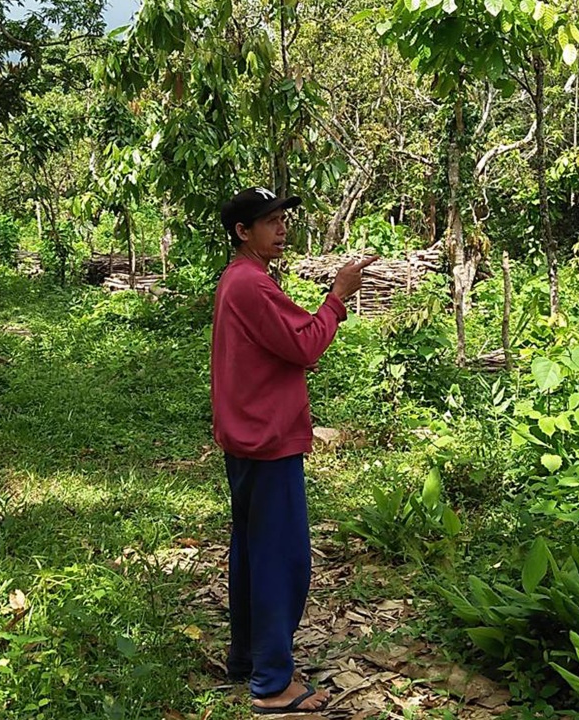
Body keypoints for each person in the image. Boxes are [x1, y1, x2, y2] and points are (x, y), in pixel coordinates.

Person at [211, 186, 377, 714]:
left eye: (283, 219)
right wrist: (338, 295)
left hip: (247, 436)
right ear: (243, 231)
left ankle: (248, 660)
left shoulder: (243, 280)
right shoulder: (251, 285)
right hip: (267, 439)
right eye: (269, 221)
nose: (281, 229)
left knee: (253, 554)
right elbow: (304, 344)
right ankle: (273, 685)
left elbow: (287, 342)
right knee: (282, 561)